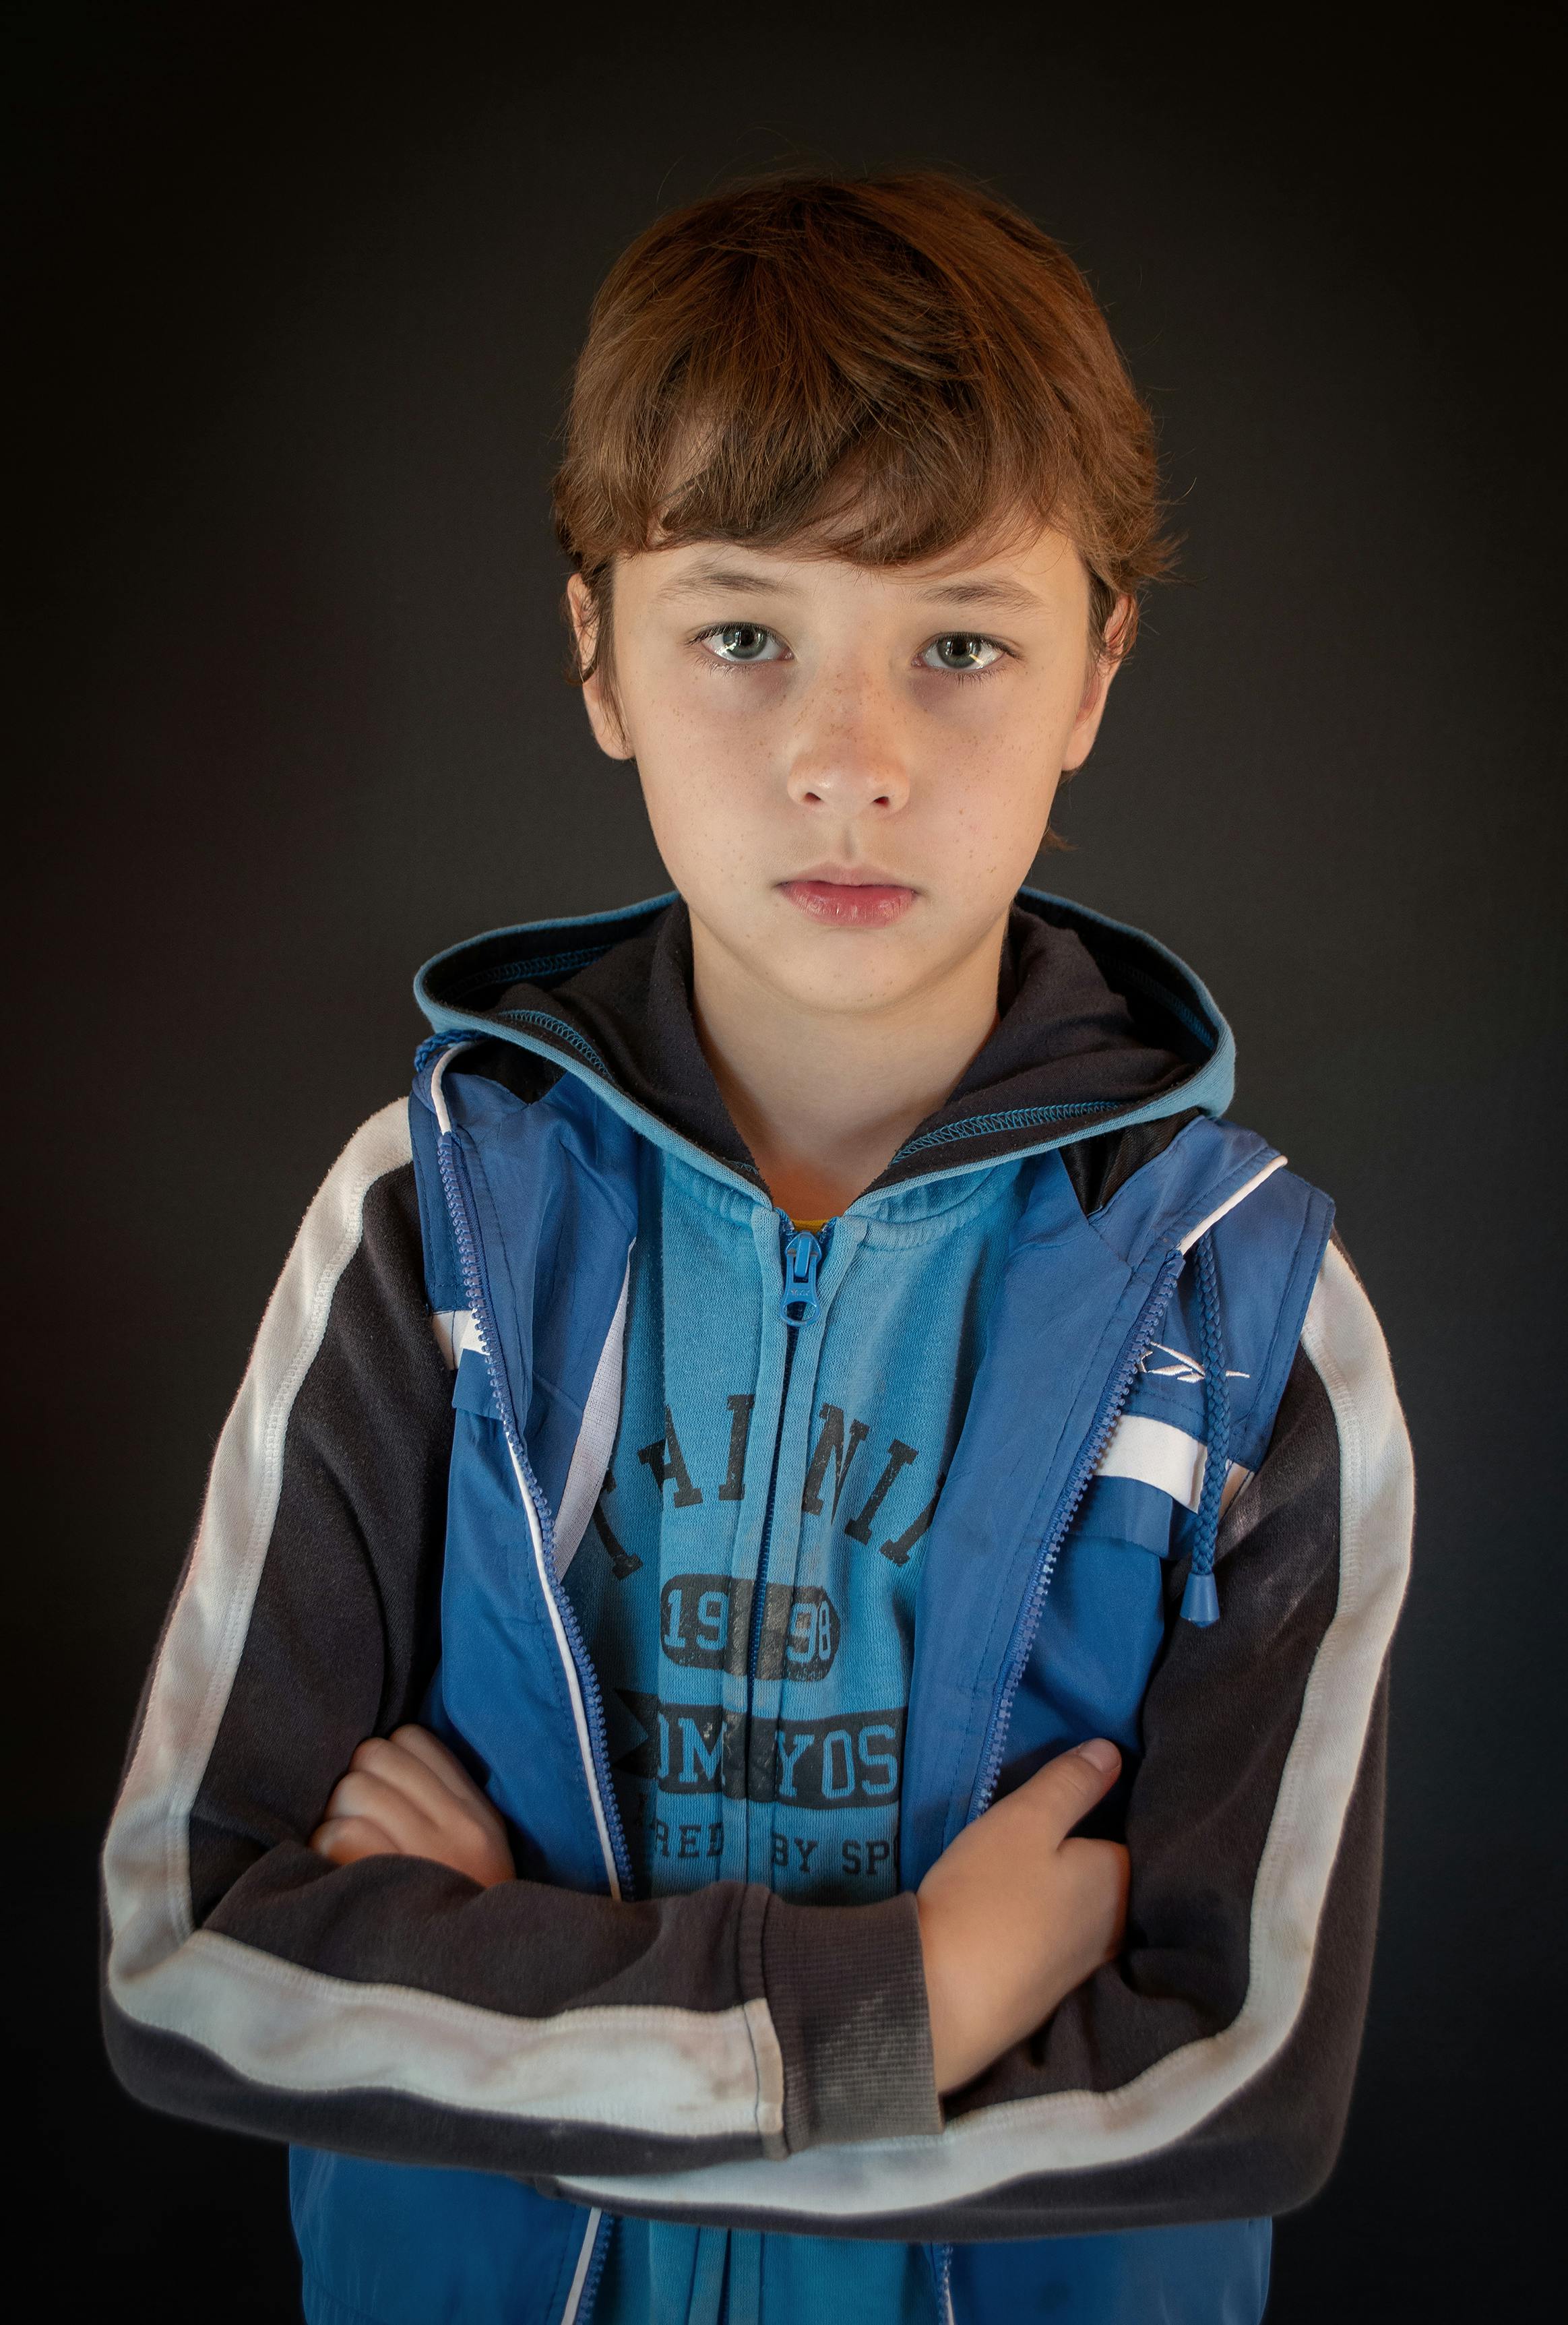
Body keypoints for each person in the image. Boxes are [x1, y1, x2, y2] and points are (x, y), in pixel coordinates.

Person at [101, 171, 1412, 2325]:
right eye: (740, 632)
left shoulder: (1245, 1301)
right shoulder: (425, 1220)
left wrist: (504, 2004)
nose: (849, 760)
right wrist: (908, 1996)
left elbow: (1231, 2087)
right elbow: (194, 1966)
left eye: (962, 645)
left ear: (1098, 671)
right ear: (597, 653)